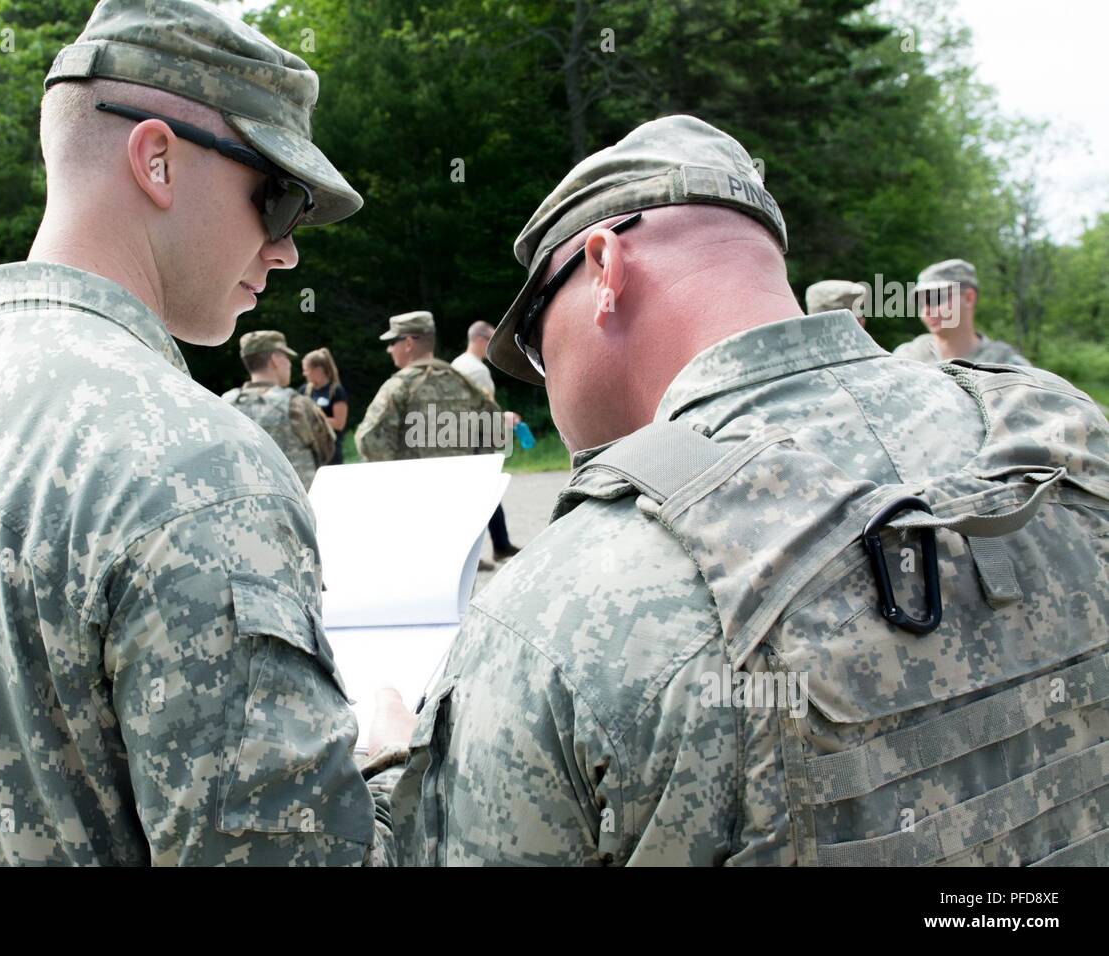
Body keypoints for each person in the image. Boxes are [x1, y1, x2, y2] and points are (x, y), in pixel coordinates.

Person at [391, 114, 1109, 866]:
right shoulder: (1061, 435)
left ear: (604, 264)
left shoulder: (557, 604)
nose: (546, 374)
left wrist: (390, 763)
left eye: (535, 343)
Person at [0, 0, 409, 866]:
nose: (285, 251)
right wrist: (392, 767)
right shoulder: (197, 463)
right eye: (277, 199)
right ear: (158, 158)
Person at [354, 311, 500, 463]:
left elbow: (370, 442)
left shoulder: (400, 386)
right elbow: (494, 431)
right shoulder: (465, 383)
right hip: (458, 484)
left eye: (392, 342)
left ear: (408, 343)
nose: (389, 349)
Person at [222, 330, 334, 490]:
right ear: (275, 360)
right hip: (296, 506)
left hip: (247, 506)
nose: (289, 363)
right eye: (286, 357)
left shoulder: (225, 404)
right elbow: (326, 448)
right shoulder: (297, 404)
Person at [452, 321, 521, 562]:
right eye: (491, 340)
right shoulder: (477, 371)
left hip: (458, 440)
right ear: (481, 339)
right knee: (485, 495)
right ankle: (493, 549)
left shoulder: (456, 365)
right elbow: (484, 412)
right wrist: (505, 419)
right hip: (477, 441)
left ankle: (495, 546)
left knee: (472, 496)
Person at [893, 259, 1030, 365]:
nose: (927, 311)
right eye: (922, 303)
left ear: (969, 298)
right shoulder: (906, 359)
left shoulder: (1006, 365)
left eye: (936, 299)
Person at [300, 347, 350, 465]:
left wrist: (316, 416)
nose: (304, 374)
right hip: (310, 451)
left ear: (318, 370)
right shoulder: (303, 391)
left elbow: (339, 424)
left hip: (331, 451)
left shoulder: (336, 391)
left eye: (306, 370)